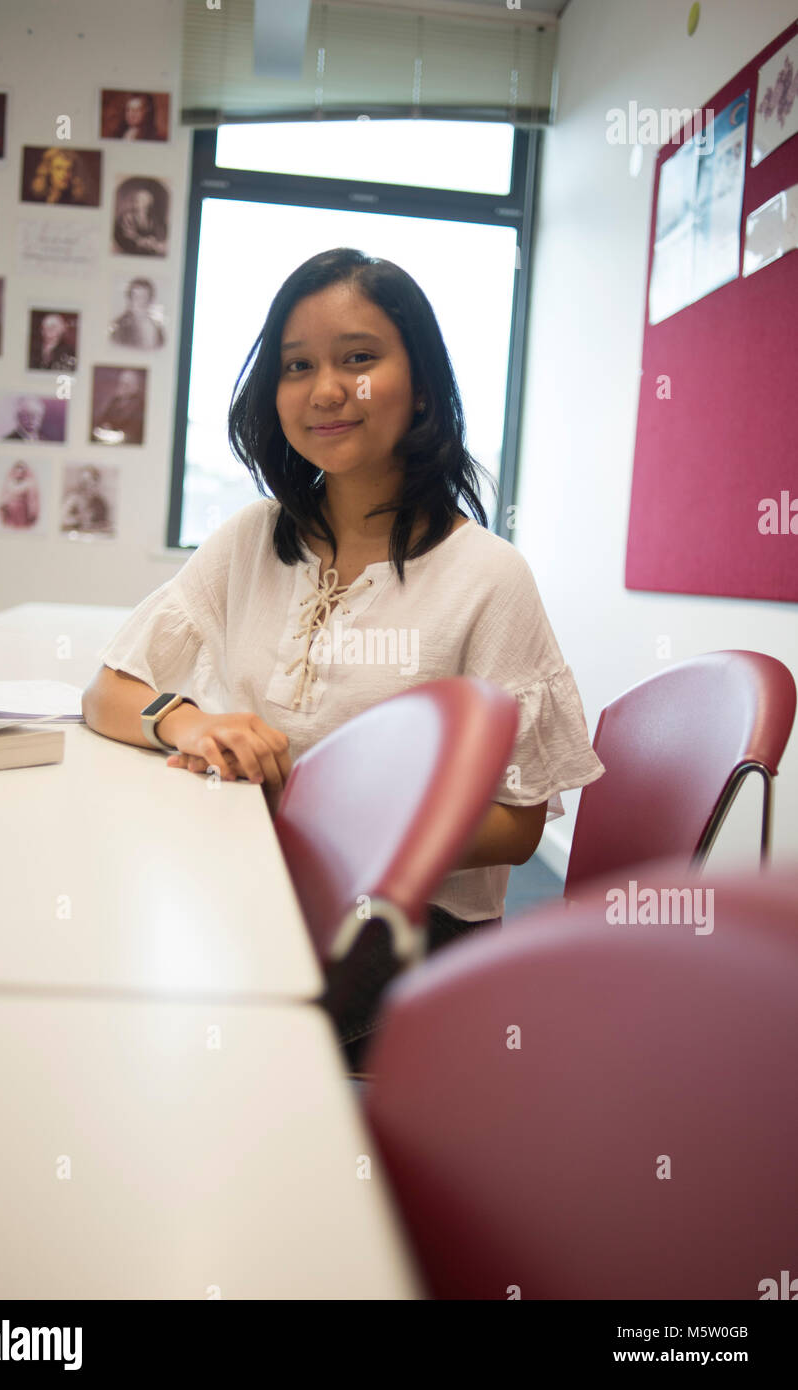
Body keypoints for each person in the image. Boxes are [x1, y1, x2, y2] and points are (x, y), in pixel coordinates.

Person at [82, 247, 605, 1065]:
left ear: (421, 384)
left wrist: (338, 814)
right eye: (297, 365)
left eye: (358, 359)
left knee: (193, 1029)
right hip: (263, 878)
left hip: (406, 926)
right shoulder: (251, 538)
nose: (326, 389)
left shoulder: (486, 577)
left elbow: (517, 824)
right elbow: (110, 690)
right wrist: (184, 724)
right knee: (111, 949)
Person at [91, 369, 145, 444]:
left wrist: (116, 434)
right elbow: (103, 419)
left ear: (135, 387)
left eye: (126, 384)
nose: (122, 386)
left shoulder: (140, 405)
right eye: (121, 383)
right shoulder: (115, 401)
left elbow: (133, 432)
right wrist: (105, 425)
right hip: (107, 438)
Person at [113, 184, 167, 255]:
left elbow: (159, 233)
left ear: (148, 203)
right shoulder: (128, 216)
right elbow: (128, 234)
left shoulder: (152, 218)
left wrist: (153, 240)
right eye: (136, 200)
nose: (137, 202)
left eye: (141, 200)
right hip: (133, 250)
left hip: (149, 250)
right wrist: (141, 240)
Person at [109, 279, 165, 348]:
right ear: (130, 299)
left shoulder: (156, 327)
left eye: (144, 297)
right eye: (137, 297)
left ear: (150, 300)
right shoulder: (119, 327)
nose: (141, 302)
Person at [60, 465, 110, 532]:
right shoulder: (73, 498)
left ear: (96, 483)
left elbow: (105, 523)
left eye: (90, 482)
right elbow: (60, 519)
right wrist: (78, 519)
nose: (86, 486)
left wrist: (95, 524)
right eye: (83, 482)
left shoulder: (100, 502)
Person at [0, 461, 39, 528]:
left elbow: (31, 500)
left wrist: (32, 511)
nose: (19, 474)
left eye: (21, 472)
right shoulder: (9, 483)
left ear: (24, 473)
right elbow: (5, 496)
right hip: (10, 511)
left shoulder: (28, 484)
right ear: (14, 472)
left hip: (22, 511)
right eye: (17, 472)